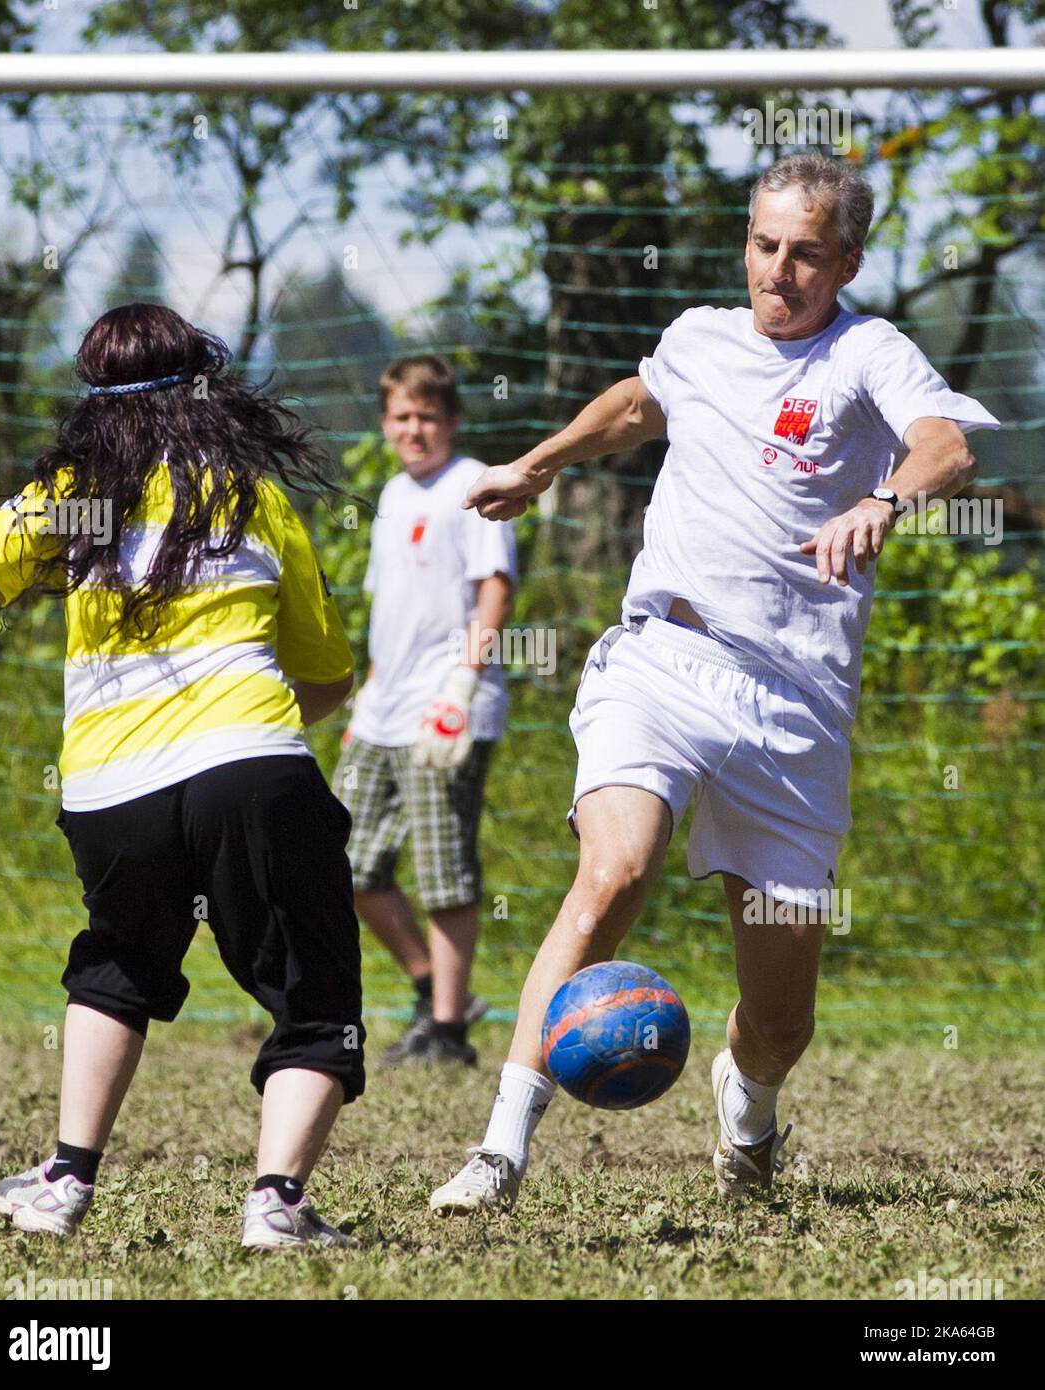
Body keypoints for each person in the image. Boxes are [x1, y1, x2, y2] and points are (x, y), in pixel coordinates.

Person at [428, 152, 1000, 1213]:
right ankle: (498, 1151)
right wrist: (540, 461)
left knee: (780, 1017)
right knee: (614, 871)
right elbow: (638, 404)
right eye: (765, 246)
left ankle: (748, 1105)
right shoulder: (697, 338)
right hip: (662, 657)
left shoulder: (866, 352)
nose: (779, 272)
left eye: (807, 255)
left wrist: (884, 499)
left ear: (848, 263)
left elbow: (946, 446)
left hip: (796, 710)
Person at [0, 303, 365, 1248]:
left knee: (119, 964)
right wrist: (242, 751)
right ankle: (276, 1204)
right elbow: (329, 677)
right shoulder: (254, 493)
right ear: (206, 388)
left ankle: (64, 1179)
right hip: (253, 768)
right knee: (312, 995)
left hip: (110, 790)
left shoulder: (70, 492)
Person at [334, 355, 517, 1065]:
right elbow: (391, 611)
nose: (416, 430)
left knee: (443, 869)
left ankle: (447, 1033)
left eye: (429, 416)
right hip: (382, 710)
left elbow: (495, 591)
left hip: (446, 706)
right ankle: (430, 984)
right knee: (343, 862)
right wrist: (365, 699)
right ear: (385, 423)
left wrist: (462, 687)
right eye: (403, 417)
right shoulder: (390, 494)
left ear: (452, 421)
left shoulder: (471, 489)